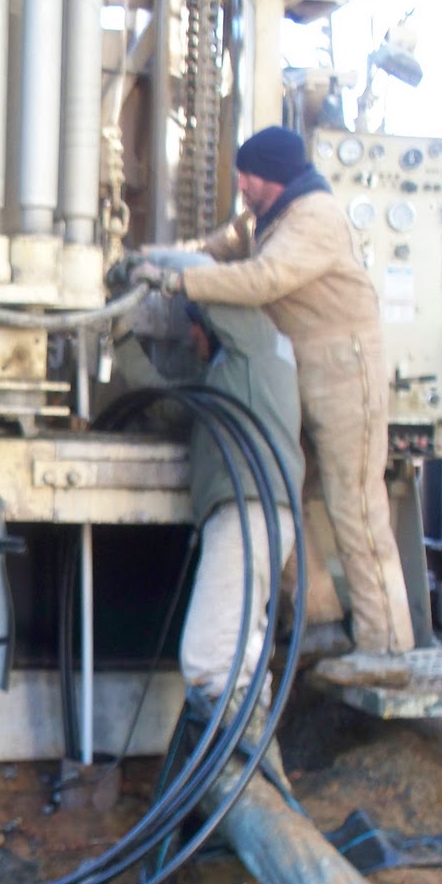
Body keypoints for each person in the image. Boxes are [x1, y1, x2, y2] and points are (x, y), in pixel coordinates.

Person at [134, 125, 415, 689]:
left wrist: (174, 283)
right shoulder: (265, 219)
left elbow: (263, 280)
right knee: (281, 495)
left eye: (249, 176)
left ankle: (385, 646)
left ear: (276, 176)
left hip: (344, 375)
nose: (241, 185)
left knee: (355, 505)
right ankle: (321, 622)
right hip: (299, 377)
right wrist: (144, 259)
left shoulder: (314, 218)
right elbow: (213, 252)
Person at [110, 256, 302, 756]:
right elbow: (169, 403)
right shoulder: (230, 375)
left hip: (250, 511)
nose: (192, 338)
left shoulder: (256, 340)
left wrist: (153, 266)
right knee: (242, 653)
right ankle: (248, 774)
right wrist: (119, 337)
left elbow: (204, 275)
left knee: (209, 657)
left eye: (195, 328)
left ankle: (237, 778)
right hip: (254, 513)